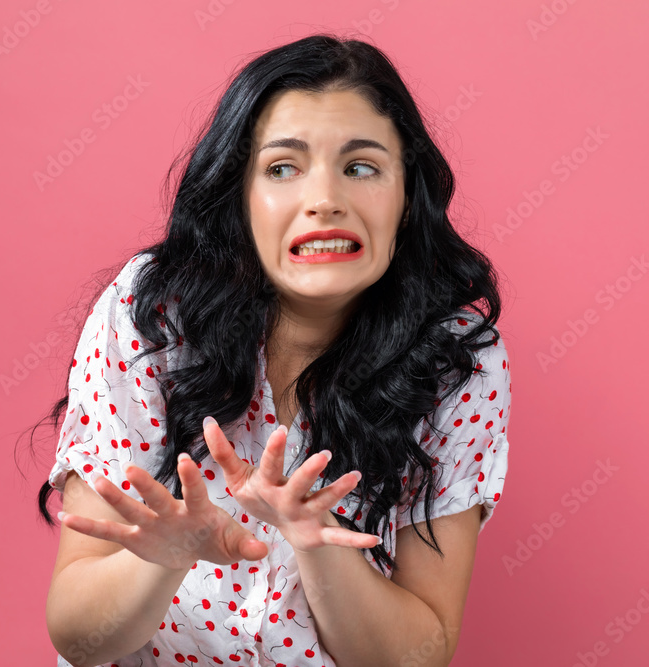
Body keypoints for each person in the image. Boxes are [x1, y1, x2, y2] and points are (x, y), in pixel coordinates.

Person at [31, 32, 511, 667]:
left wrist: (317, 546)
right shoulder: (151, 313)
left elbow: (417, 656)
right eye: (283, 168)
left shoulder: (457, 360)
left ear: (406, 194)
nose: (324, 202)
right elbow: (75, 633)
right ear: (240, 195)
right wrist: (166, 560)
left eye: (361, 167)